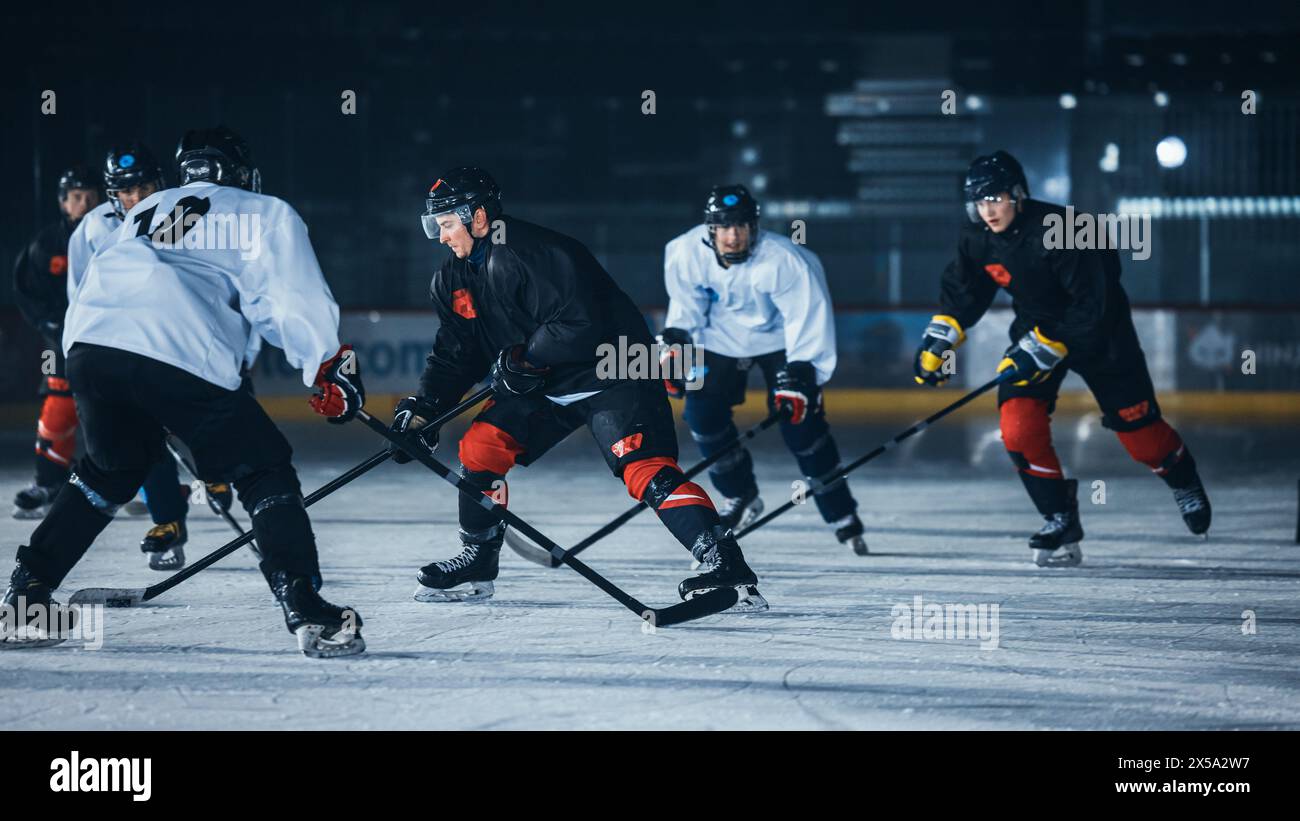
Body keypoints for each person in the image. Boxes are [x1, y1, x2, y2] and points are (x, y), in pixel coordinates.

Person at [2, 126, 366, 657]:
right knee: (261, 466)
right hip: (174, 345)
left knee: (112, 468)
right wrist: (327, 365)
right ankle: (305, 605)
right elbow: (285, 299)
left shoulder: (147, 212)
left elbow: (102, 282)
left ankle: (26, 596)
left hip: (91, 346)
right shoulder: (260, 210)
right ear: (239, 172)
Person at [389, 167, 766, 611]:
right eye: (434, 226)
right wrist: (426, 409)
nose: (440, 236)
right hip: (546, 382)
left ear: (478, 217)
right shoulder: (451, 280)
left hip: (613, 369)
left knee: (642, 466)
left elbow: (581, 323)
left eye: (447, 223)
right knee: (480, 448)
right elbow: (456, 353)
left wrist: (525, 359)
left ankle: (724, 561)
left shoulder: (534, 252)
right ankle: (479, 562)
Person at [913, 150, 1212, 567]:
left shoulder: (1070, 229)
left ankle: (1183, 480)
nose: (988, 210)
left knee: (1141, 436)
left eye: (995, 199)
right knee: (1018, 427)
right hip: (1036, 330)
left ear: (1018, 195)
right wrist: (939, 339)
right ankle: (1059, 518)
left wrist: (1043, 347)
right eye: (979, 202)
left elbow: (1093, 306)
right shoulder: (977, 236)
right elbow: (964, 291)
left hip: (1103, 335)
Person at [661, 185, 867, 555]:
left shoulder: (786, 259)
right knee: (702, 414)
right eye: (723, 227)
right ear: (710, 229)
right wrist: (677, 343)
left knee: (803, 427)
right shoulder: (684, 251)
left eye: (741, 226)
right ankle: (739, 495)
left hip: (781, 340)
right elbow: (686, 307)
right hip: (720, 337)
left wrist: (803, 372)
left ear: (754, 227)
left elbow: (807, 318)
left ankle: (841, 512)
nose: (733, 236)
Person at [67, 143, 197, 570]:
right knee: (140, 439)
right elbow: (79, 295)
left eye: (144, 187)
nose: (137, 198)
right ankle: (169, 523)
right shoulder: (92, 228)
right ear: (112, 195)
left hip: (177, 341)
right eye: (127, 191)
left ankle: (219, 483)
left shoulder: (188, 215)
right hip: (118, 349)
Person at [11, 165, 100, 519]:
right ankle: (50, 481)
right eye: (77, 196)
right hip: (59, 343)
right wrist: (49, 323)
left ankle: (144, 483)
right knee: (58, 409)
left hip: (112, 340)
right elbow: (26, 291)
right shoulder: (46, 244)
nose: (85, 202)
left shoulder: (116, 235)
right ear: (64, 202)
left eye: (91, 195)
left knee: (122, 409)